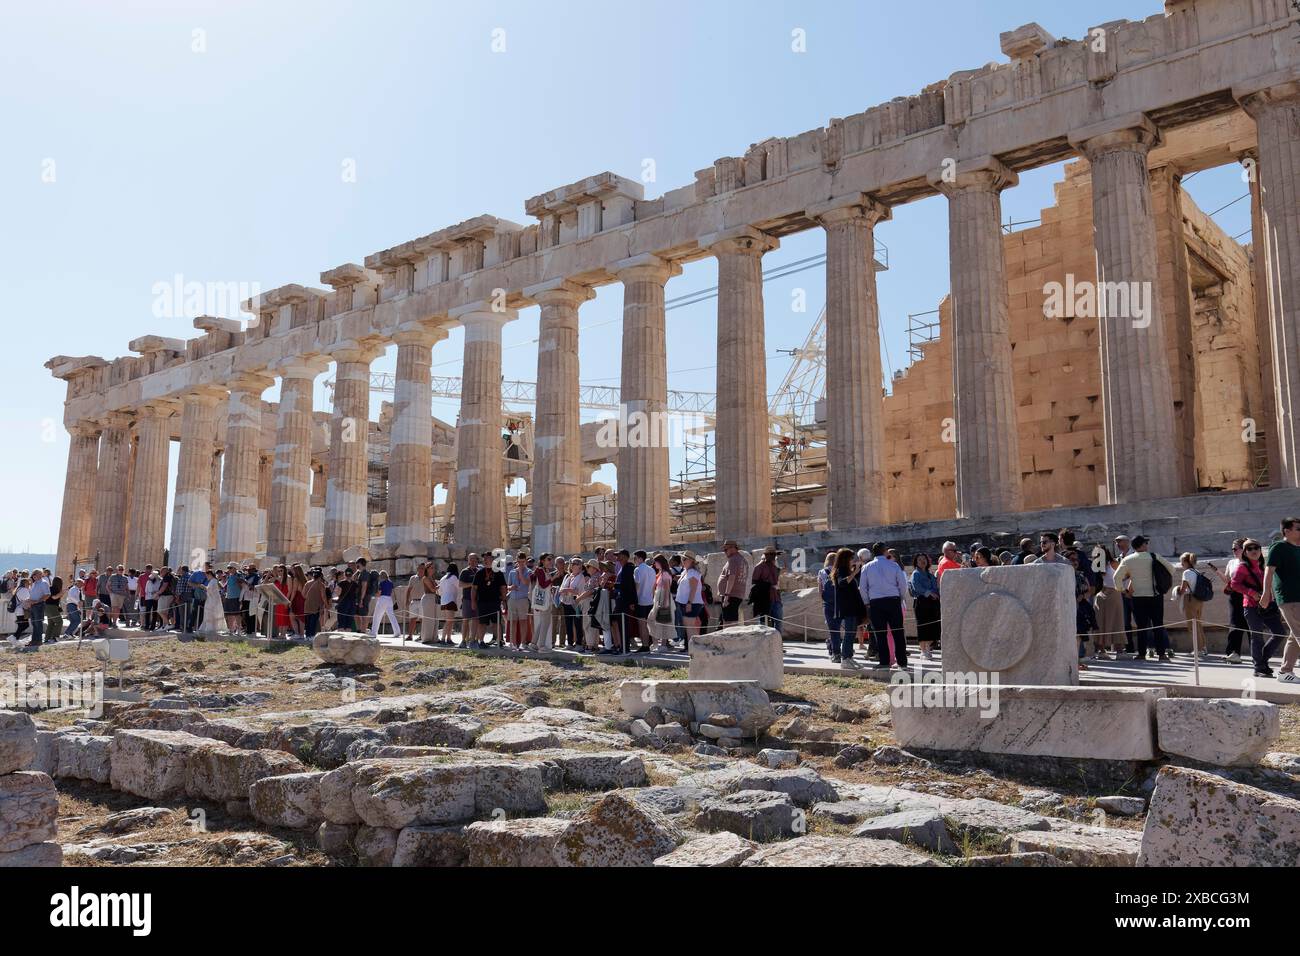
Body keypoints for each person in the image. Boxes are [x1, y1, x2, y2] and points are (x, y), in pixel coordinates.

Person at [1114, 535, 1178, 662]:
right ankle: (1161, 654)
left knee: (1141, 626)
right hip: (1155, 595)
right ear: (1143, 545)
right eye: (1146, 543)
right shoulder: (1154, 556)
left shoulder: (1128, 559)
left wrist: (1123, 590)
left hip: (1137, 597)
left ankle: (1141, 654)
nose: (1147, 545)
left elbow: (1117, 577)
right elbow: (1172, 569)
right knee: (1158, 625)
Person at [1234, 539, 1288, 678]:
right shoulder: (1242, 567)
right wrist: (1252, 593)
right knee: (1257, 636)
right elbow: (1234, 584)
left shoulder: (1264, 566)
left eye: (1256, 548)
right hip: (1251, 607)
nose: (1253, 551)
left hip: (1269, 605)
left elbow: (1270, 585)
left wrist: (1275, 602)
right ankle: (1258, 667)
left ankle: (1262, 660)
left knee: (1279, 633)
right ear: (1245, 552)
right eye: (1249, 549)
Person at [1261, 517, 1300, 683]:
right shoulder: (1278, 547)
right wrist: (1265, 593)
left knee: (1295, 635)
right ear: (1287, 531)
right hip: (1289, 598)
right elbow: (1268, 572)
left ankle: (1285, 671)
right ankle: (1285, 672)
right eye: (1298, 528)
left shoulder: (1298, 548)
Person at [859, 542, 910, 669]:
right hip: (893, 600)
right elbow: (903, 584)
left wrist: (867, 602)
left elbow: (863, 588)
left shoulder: (867, 567)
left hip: (875, 602)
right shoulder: (893, 565)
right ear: (885, 551)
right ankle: (902, 662)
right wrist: (900, 598)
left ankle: (884, 661)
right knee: (898, 632)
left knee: (880, 634)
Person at [824, 548, 865, 669]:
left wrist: (855, 572)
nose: (854, 560)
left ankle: (849, 657)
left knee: (852, 633)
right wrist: (854, 572)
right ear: (846, 559)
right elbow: (842, 583)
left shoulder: (847, 571)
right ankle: (845, 659)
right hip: (847, 608)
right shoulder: (840, 571)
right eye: (852, 558)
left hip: (852, 606)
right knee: (849, 633)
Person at [1208, 539, 1246, 664]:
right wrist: (1217, 572)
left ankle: (1259, 655)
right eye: (1232, 549)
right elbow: (1228, 580)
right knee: (1235, 624)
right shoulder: (1231, 562)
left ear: (1243, 549)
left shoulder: (1250, 562)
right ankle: (1233, 653)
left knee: (1252, 625)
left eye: (1236, 549)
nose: (1233, 551)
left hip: (1249, 595)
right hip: (1235, 595)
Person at [1177, 552, 1210, 660]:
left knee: (1192, 625)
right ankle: (1203, 647)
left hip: (1190, 599)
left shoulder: (1186, 572)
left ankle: (1198, 649)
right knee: (1198, 623)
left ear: (1186, 562)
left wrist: (1177, 591)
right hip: (1199, 599)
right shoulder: (1196, 571)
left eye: (1182, 562)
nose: (1181, 564)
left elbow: (1183, 589)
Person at [1091, 545, 1121, 661]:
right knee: (1116, 621)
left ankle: (1101, 649)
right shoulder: (1113, 563)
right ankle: (1119, 649)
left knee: (1101, 622)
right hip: (1113, 593)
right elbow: (1121, 577)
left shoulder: (1096, 565)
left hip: (1100, 595)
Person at [909, 553, 940, 660]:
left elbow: (935, 587)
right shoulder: (916, 574)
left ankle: (928, 648)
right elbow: (916, 587)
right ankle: (923, 650)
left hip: (932, 602)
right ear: (916, 562)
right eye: (920, 560)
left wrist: (935, 594)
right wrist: (929, 593)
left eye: (924, 559)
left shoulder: (930, 574)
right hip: (921, 602)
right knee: (923, 626)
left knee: (932, 626)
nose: (922, 561)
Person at [675, 551, 704, 652]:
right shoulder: (686, 572)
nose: (682, 561)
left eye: (685, 559)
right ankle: (691, 648)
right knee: (689, 627)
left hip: (691, 603)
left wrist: (689, 603)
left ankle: (693, 649)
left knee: (690, 627)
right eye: (682, 559)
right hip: (685, 602)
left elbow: (693, 588)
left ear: (691, 561)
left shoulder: (692, 573)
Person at [1114, 534, 1137, 654]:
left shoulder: (1134, 556)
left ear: (1127, 543)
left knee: (1142, 620)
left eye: (1121, 542)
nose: (1118, 545)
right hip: (1122, 593)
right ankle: (1129, 647)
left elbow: (1134, 573)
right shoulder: (1119, 558)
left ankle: (1150, 647)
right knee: (1125, 622)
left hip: (1134, 592)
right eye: (1117, 543)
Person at [716, 540, 748, 626]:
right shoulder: (742, 560)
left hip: (730, 595)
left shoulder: (733, 560)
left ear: (732, 548)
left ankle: (729, 639)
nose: (724, 552)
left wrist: (726, 596)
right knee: (732, 620)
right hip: (737, 594)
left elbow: (732, 577)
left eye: (725, 550)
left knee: (728, 622)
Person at [505, 552, 533, 650]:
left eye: (522, 562)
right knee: (512, 621)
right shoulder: (512, 572)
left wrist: (520, 572)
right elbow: (507, 586)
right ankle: (512, 643)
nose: (520, 563)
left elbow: (526, 582)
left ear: (525, 561)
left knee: (523, 621)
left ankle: (523, 642)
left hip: (523, 599)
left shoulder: (529, 571)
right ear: (516, 561)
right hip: (512, 599)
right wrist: (511, 587)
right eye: (519, 561)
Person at [648, 553, 675, 652]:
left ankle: (662, 645)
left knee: (662, 623)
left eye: (655, 562)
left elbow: (667, 589)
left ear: (659, 562)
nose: (654, 564)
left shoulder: (665, 574)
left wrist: (664, 603)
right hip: (659, 598)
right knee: (653, 621)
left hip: (663, 599)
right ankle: (656, 644)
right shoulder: (661, 573)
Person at [631, 550, 656, 653]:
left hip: (641, 601)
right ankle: (648, 644)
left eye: (635, 558)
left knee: (642, 625)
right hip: (650, 600)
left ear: (640, 558)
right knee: (648, 624)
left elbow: (637, 586)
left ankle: (645, 645)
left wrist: (633, 601)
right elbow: (653, 586)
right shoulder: (652, 570)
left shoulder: (638, 570)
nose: (634, 560)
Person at [750, 547, 780, 628]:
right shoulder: (759, 567)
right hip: (765, 599)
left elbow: (777, 580)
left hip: (776, 598)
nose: (773, 557)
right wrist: (769, 585)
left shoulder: (775, 567)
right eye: (771, 555)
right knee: (764, 623)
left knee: (778, 622)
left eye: (774, 555)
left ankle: (778, 640)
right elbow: (754, 582)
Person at [369, 571, 401, 637]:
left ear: (381, 576)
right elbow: (392, 592)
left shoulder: (381, 583)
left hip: (382, 599)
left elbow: (379, 593)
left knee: (377, 616)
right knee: (392, 616)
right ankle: (397, 632)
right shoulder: (391, 583)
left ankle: (374, 633)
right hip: (389, 599)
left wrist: (373, 596)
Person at [435, 563, 460, 646]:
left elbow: (440, 591)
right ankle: (443, 639)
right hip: (451, 600)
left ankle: (448, 639)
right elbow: (459, 586)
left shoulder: (443, 578)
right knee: (449, 621)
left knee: (449, 621)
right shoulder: (454, 577)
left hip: (444, 601)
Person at [303, 568, 330, 639]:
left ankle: (307, 635)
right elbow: (323, 596)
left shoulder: (307, 583)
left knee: (308, 621)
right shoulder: (321, 585)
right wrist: (327, 605)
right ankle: (311, 635)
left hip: (307, 605)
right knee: (313, 621)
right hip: (316, 606)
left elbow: (303, 594)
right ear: (320, 576)